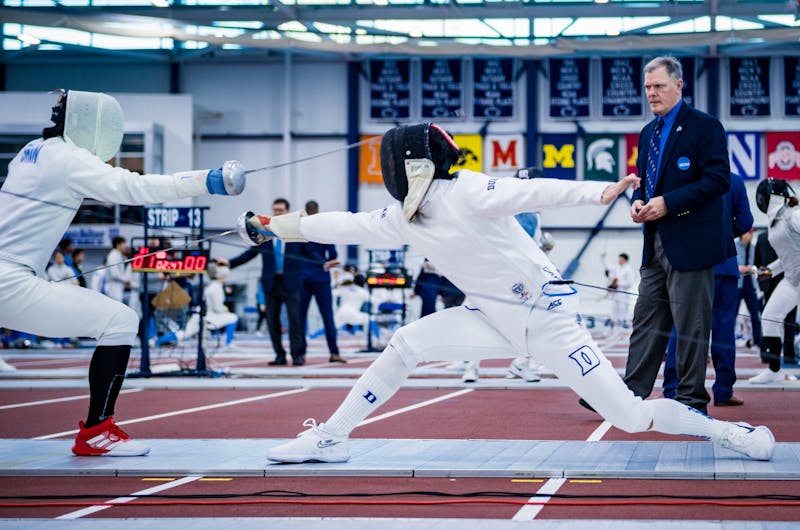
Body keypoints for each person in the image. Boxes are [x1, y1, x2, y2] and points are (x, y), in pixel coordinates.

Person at [236, 122, 773, 464]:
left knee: (630, 415)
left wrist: (600, 191)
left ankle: (731, 436)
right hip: (488, 316)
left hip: (546, 320)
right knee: (406, 343)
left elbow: (529, 190)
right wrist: (272, 226)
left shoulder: (466, 190)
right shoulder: (402, 219)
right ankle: (333, 437)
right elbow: (343, 223)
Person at [0, 89, 245, 456]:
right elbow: (133, 187)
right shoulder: (68, 159)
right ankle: (97, 432)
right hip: (10, 282)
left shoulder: (30, 151)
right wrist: (206, 180)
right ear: (92, 124)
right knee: (119, 320)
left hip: (15, 276)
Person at [622, 56, 734, 415]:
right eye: (648, 88)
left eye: (658, 87)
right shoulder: (647, 132)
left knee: (691, 325)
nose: (651, 94)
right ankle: (629, 394)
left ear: (679, 85)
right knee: (646, 319)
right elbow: (645, 181)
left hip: (691, 242)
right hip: (654, 241)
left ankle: (690, 400)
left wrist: (668, 203)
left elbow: (718, 180)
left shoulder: (705, 127)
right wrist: (638, 201)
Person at [661, 172, 753, 407]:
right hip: (724, 261)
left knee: (682, 326)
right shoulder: (734, 181)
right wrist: (720, 234)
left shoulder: (685, 178)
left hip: (691, 261)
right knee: (723, 330)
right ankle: (723, 391)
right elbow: (744, 222)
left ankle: (672, 388)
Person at [221, 198, 306, 366]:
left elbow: (310, 251)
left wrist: (325, 262)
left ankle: (298, 355)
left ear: (287, 212)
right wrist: (229, 263)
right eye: (275, 210)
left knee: (294, 320)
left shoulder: (296, 233)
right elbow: (249, 254)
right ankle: (279, 355)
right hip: (271, 283)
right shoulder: (265, 234)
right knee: (272, 321)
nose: (277, 213)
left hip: (292, 284)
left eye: (281, 210)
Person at [749, 178, 800, 384]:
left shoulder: (795, 216)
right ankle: (774, 369)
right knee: (769, 317)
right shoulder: (775, 223)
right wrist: (769, 270)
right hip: (791, 279)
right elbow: (787, 255)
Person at [299, 200, 346, 363]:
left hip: (303, 277)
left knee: (301, 317)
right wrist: (325, 261)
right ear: (318, 212)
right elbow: (333, 255)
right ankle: (334, 352)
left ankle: (300, 354)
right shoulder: (325, 230)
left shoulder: (301, 229)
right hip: (321, 276)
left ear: (305, 211)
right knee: (327, 316)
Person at [154, 262, 239, 349]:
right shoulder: (216, 288)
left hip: (200, 314)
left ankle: (157, 341)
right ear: (221, 276)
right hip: (208, 315)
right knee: (233, 317)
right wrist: (224, 309)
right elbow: (217, 308)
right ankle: (229, 342)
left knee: (185, 334)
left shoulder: (212, 286)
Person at [755, 229, 798, 365]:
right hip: (787, 281)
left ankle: (766, 354)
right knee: (787, 320)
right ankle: (788, 355)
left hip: (772, 282)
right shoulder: (789, 235)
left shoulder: (762, 238)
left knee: (768, 318)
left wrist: (762, 283)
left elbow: (758, 263)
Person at [736, 229, 762, 350]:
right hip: (738, 285)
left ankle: (757, 342)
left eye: (752, 233)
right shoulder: (735, 246)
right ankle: (729, 339)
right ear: (742, 234)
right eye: (748, 233)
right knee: (732, 314)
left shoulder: (753, 248)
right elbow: (735, 266)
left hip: (750, 285)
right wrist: (746, 268)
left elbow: (755, 264)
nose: (751, 236)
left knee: (755, 314)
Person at [604, 253, 635, 329]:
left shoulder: (629, 270)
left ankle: (624, 329)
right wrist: (604, 258)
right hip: (616, 294)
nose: (619, 261)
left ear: (626, 260)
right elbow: (608, 267)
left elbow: (629, 283)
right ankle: (615, 328)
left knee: (623, 312)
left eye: (621, 259)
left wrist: (618, 284)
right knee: (614, 311)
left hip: (624, 294)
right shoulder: (617, 268)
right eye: (619, 259)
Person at [103, 236, 130, 303]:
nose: (125, 246)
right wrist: (126, 280)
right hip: (113, 287)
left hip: (117, 286)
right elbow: (114, 274)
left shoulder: (118, 255)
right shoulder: (113, 256)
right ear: (118, 245)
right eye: (124, 244)